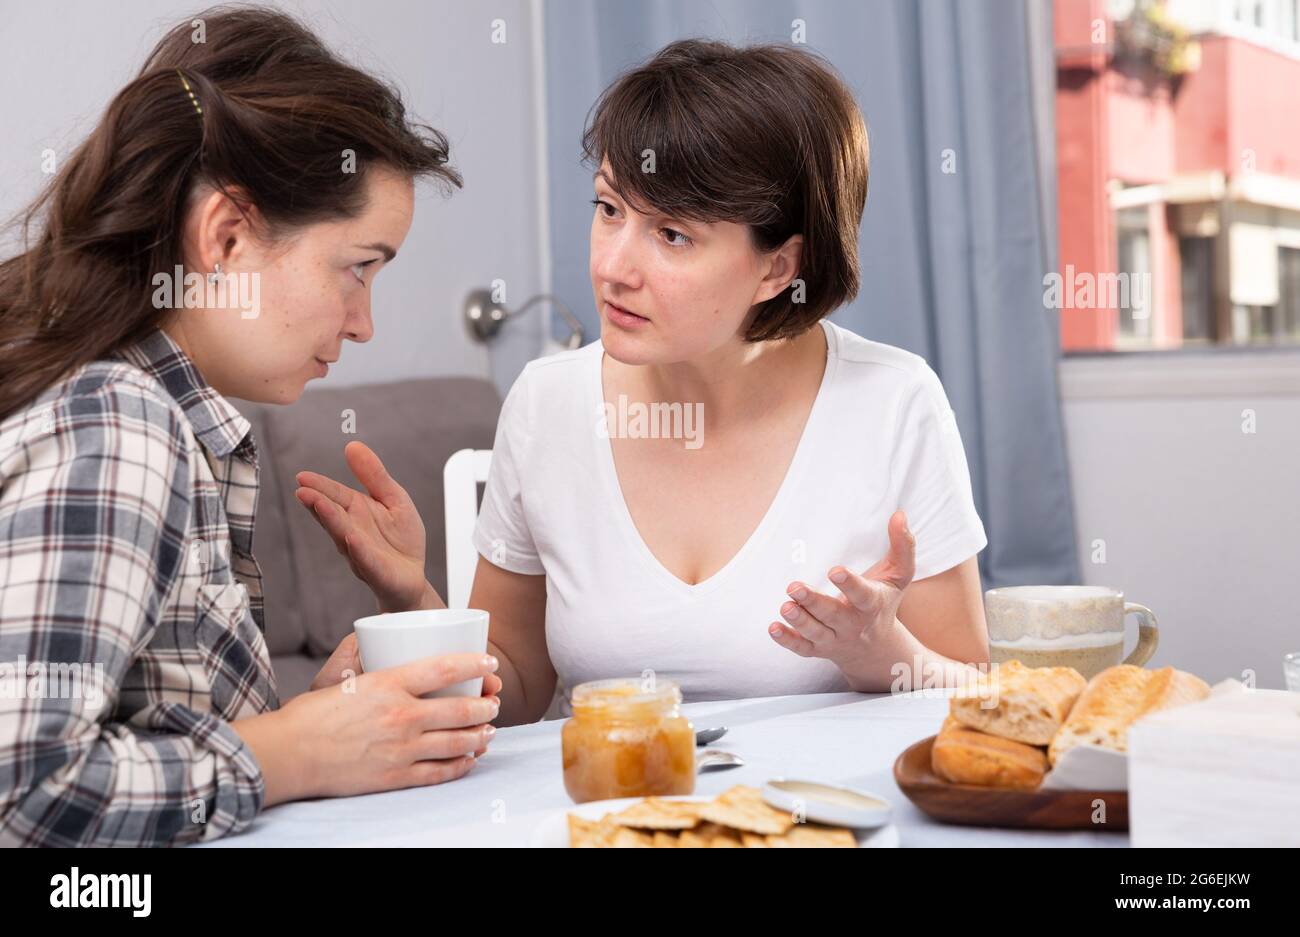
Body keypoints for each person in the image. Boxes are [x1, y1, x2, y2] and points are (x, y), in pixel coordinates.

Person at [297, 40, 990, 727]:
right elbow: (515, 685)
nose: (613, 267)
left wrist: (883, 651)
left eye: (672, 235)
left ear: (779, 269)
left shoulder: (893, 403)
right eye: (609, 209)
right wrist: (413, 598)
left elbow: (976, 697)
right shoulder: (547, 405)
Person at [0, 8, 499, 847]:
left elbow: (150, 732)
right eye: (357, 268)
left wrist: (313, 726)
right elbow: (25, 782)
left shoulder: (168, 420)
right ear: (227, 237)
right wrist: (296, 751)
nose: (363, 323)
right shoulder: (120, 422)